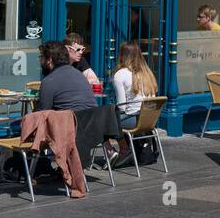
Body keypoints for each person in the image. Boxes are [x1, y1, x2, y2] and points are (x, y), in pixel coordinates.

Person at [107, 41, 157, 169]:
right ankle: (127, 150)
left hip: (133, 120)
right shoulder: (147, 73)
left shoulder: (120, 74)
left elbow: (122, 107)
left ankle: (123, 151)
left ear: (122, 55)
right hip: (149, 121)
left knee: (103, 122)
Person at [36, 41, 96, 113]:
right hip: (93, 120)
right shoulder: (79, 75)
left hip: (71, 122)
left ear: (49, 60)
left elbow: (42, 113)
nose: (40, 61)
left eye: (42, 57)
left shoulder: (49, 80)